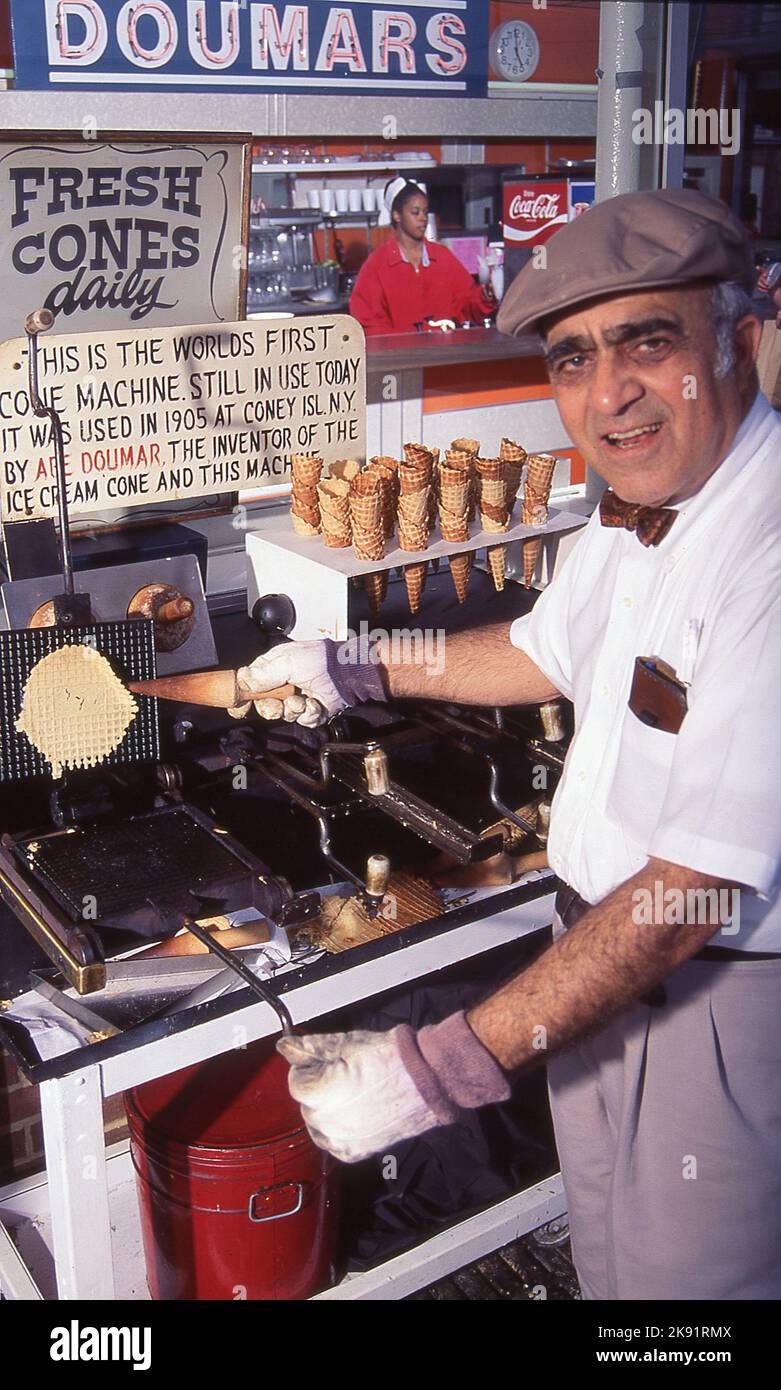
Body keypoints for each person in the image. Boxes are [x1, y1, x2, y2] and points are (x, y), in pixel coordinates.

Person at [238, 188, 781, 1301]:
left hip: (710, 1005)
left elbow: (697, 885)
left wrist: (434, 1067)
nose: (608, 390)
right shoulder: (641, 505)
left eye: (647, 340)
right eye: (573, 358)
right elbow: (537, 651)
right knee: (611, 1268)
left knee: (692, 1295)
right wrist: (352, 663)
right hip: (590, 972)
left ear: (741, 340)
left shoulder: (764, 553)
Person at [349, 177, 495, 335]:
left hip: (445, 354)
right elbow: (367, 324)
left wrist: (484, 296)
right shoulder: (376, 265)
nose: (423, 218)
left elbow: (466, 304)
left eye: (425, 212)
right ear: (396, 215)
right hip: (401, 357)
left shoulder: (442, 257)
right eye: (415, 212)